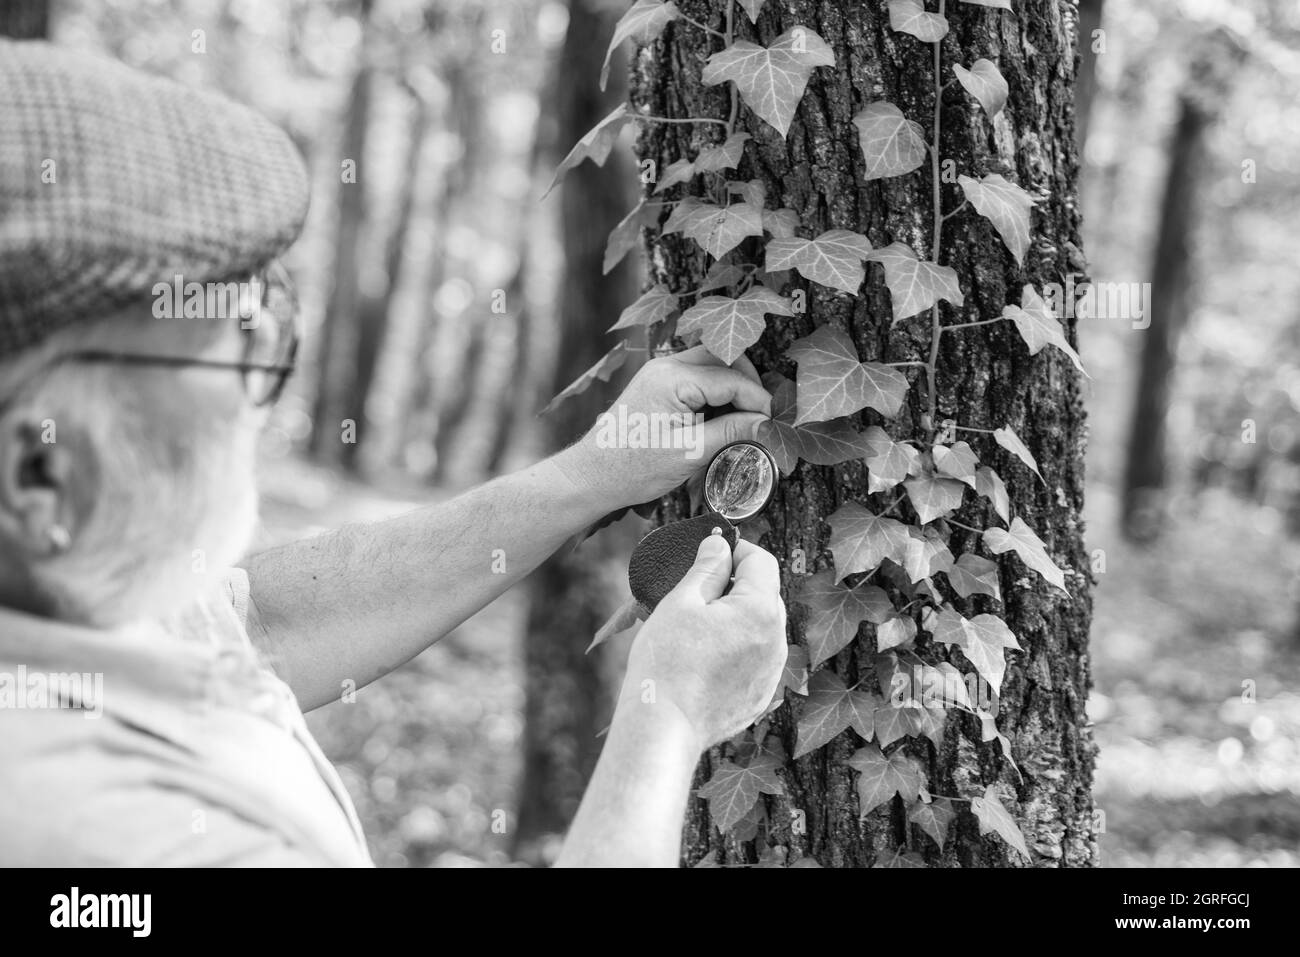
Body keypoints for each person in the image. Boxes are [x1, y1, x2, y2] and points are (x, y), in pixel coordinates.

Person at [0, 39, 787, 866]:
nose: (261, 373)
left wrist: (593, 472)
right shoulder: (101, 830)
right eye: (228, 343)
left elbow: (256, 623)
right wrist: (668, 720)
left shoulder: (65, 595)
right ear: (41, 473)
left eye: (263, 314)